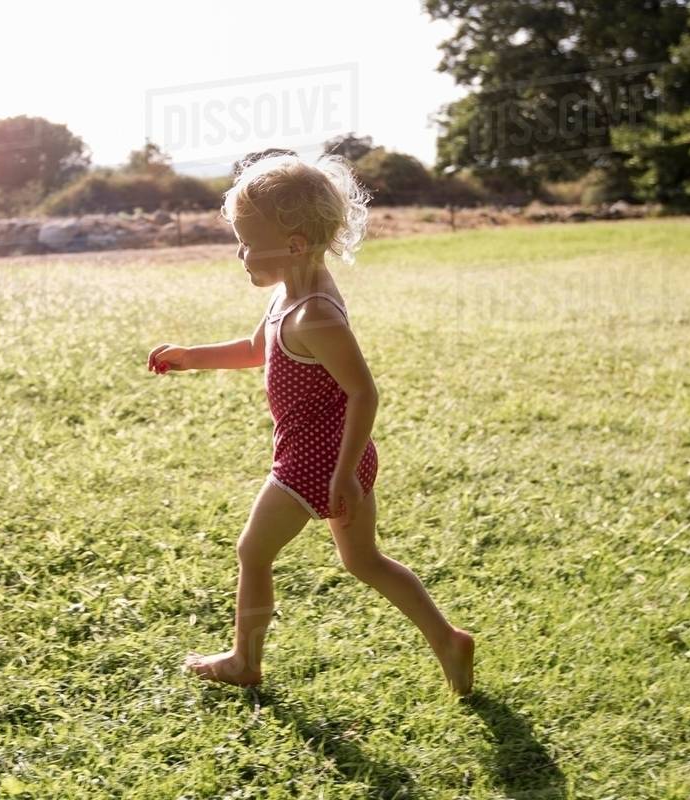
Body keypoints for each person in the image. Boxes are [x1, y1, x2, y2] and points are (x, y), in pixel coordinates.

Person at [146, 152, 474, 696]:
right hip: (331, 457)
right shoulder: (288, 296)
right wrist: (190, 355)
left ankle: (243, 661)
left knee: (253, 551)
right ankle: (447, 638)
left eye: (249, 242)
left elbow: (363, 392)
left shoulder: (315, 314)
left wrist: (343, 473)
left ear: (295, 245)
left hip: (318, 460)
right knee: (363, 560)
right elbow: (257, 349)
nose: (240, 253)